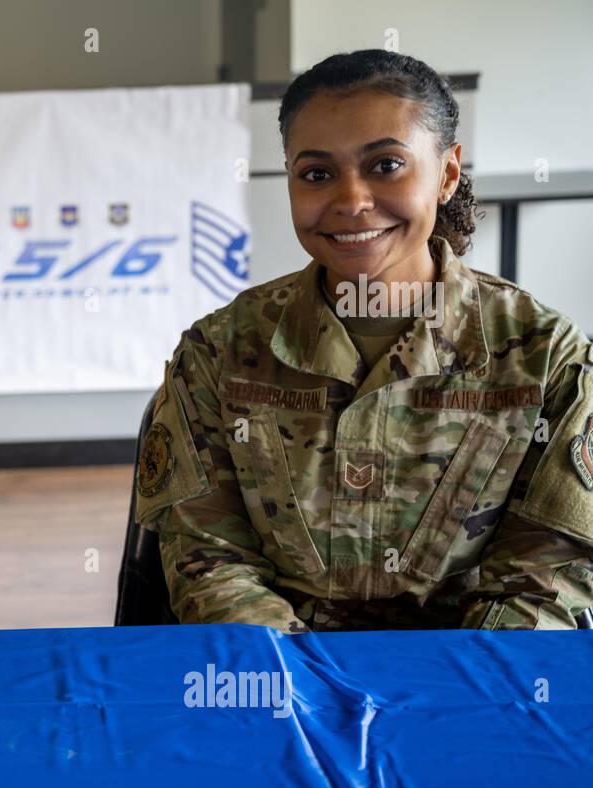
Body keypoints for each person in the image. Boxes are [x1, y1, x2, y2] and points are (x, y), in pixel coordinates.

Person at [134, 50, 593, 630]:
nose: (351, 201)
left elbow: (545, 579)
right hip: (280, 686)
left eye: (386, 165)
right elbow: (211, 563)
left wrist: (447, 706)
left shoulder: (546, 357)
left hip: (468, 686)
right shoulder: (219, 352)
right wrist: (300, 695)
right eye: (317, 174)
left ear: (448, 174)